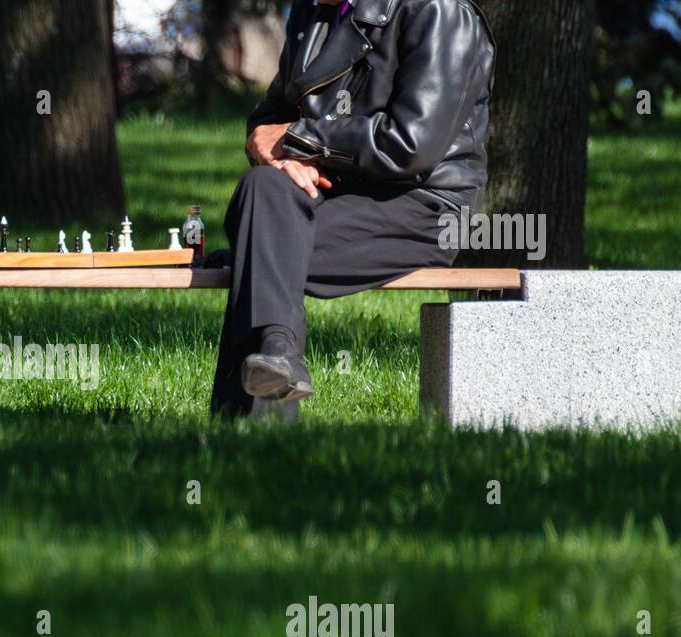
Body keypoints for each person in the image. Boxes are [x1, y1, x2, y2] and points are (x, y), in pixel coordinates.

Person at [212, 0, 495, 420]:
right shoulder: (315, 12)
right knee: (261, 188)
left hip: (426, 206)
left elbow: (412, 143)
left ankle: (249, 429)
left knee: (261, 248)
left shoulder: (440, 11)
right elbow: (273, 113)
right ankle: (278, 351)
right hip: (336, 188)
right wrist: (280, 150)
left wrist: (301, 138)